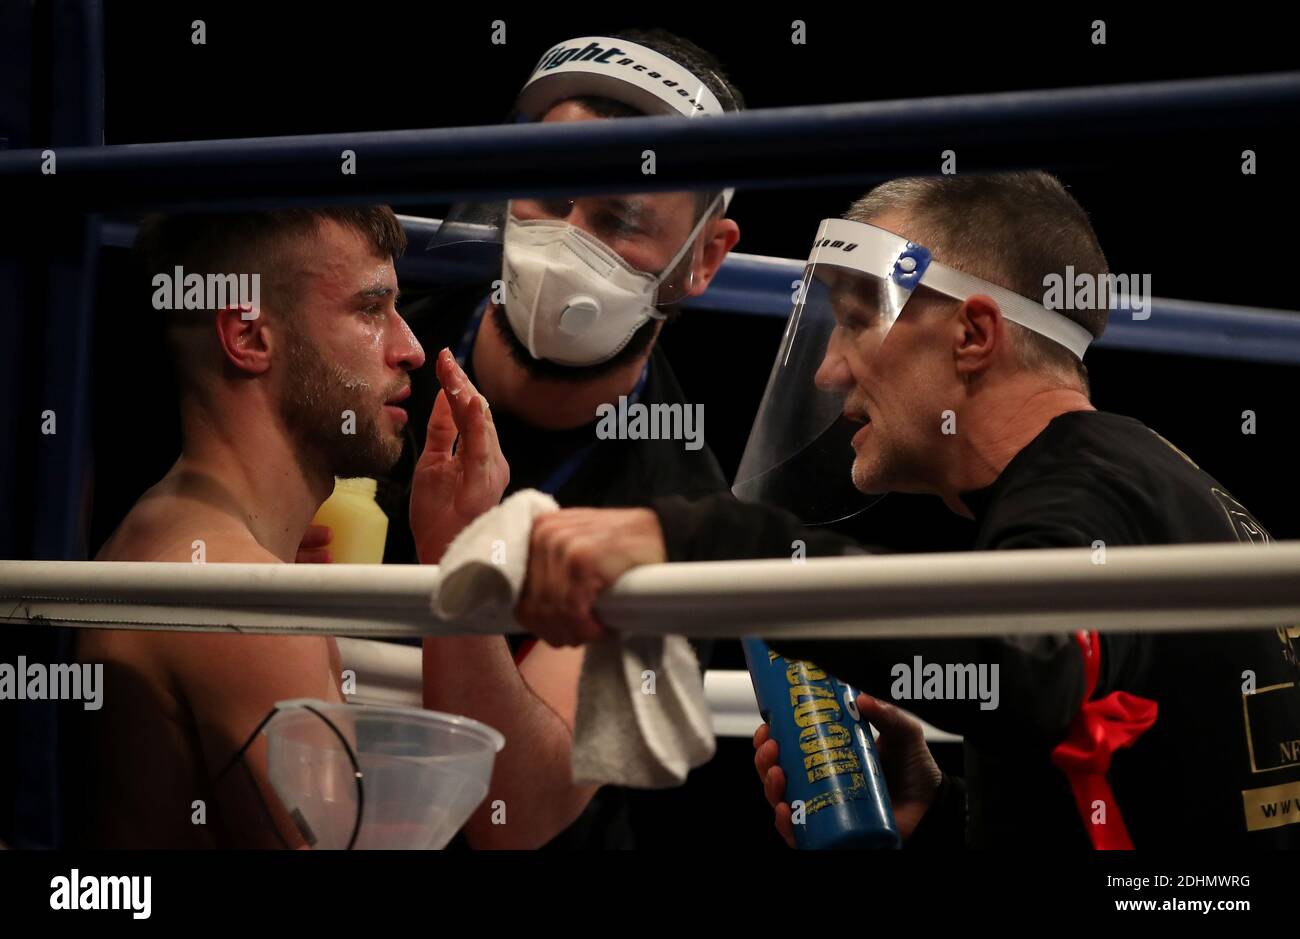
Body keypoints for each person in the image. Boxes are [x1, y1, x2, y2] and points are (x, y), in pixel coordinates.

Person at [514, 171, 1300, 848]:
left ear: (973, 333)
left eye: (857, 319)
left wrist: (704, 536)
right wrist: (938, 814)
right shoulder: (1136, 476)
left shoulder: (1083, 493)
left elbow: (1024, 669)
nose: (827, 370)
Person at [304, 28, 745, 849]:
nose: (567, 243)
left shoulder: (685, 510)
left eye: (619, 219)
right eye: (547, 194)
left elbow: (519, 811)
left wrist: (456, 556)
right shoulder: (379, 339)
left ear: (704, 259)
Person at [69, 206, 507, 848]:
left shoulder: (171, 532)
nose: (410, 347)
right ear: (248, 336)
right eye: (370, 308)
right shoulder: (244, 603)